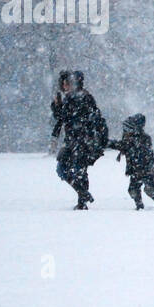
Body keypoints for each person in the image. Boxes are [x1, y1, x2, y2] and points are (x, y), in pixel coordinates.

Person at [52, 70, 107, 210]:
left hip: (82, 141)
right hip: (72, 141)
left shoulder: (82, 98)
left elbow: (68, 117)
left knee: (78, 170)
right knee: (65, 169)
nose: (65, 86)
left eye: (67, 83)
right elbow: (63, 118)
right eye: (63, 83)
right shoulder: (70, 98)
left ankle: (82, 200)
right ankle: (83, 194)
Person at [108, 113, 154, 210]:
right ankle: (139, 204)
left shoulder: (142, 139)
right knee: (133, 189)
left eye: (127, 130)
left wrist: (110, 143)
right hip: (135, 170)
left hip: (145, 169)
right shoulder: (130, 140)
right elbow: (121, 145)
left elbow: (123, 145)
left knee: (149, 188)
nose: (125, 132)